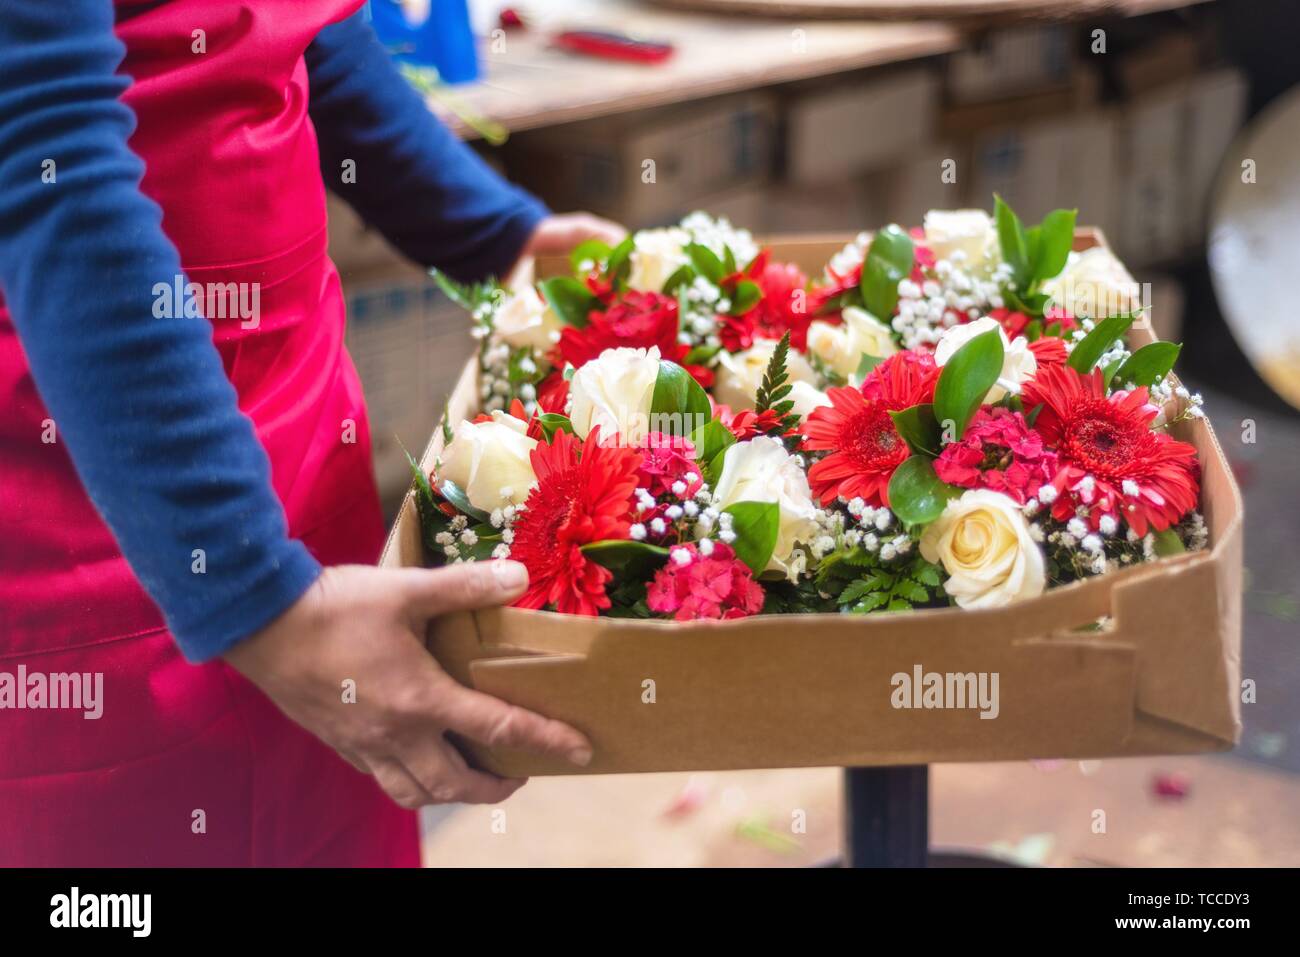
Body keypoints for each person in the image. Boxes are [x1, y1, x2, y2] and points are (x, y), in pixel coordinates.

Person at [0, 1, 623, 866]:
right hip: (103, 478)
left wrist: (491, 233)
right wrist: (252, 592)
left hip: (297, 461)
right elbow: (43, 156)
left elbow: (303, 25)